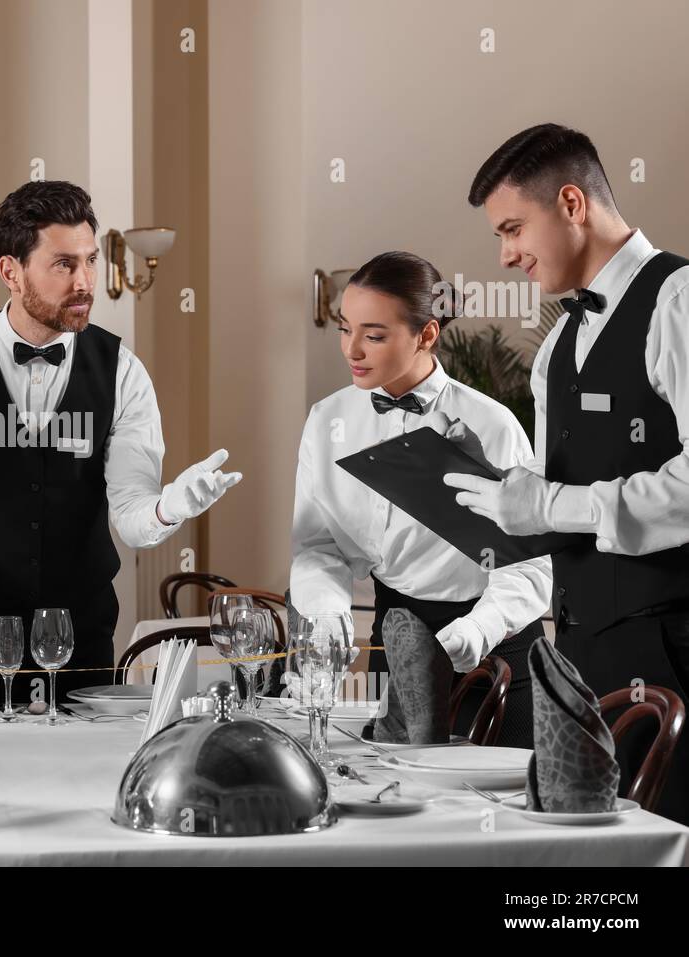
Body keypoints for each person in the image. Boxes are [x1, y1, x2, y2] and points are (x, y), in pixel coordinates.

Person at [0, 180, 241, 704]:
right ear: (11, 271)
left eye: (91, 261)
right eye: (63, 265)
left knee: (85, 780)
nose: (85, 281)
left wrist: (168, 508)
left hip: (79, 633)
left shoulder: (122, 370)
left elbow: (130, 516)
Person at [446, 123, 689, 822]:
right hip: (578, 655)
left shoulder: (677, 300)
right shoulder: (557, 345)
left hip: (672, 648)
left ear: (573, 204)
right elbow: (552, 508)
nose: (505, 255)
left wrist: (549, 504)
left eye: (514, 228)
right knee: (592, 852)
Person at [291, 251, 552, 748]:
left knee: (498, 814)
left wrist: (479, 629)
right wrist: (325, 610)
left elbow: (529, 565)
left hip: (492, 656)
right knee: (394, 805)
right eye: (345, 329)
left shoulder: (491, 423)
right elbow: (318, 545)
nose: (352, 350)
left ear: (427, 334)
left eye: (374, 335)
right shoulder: (327, 421)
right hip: (398, 640)